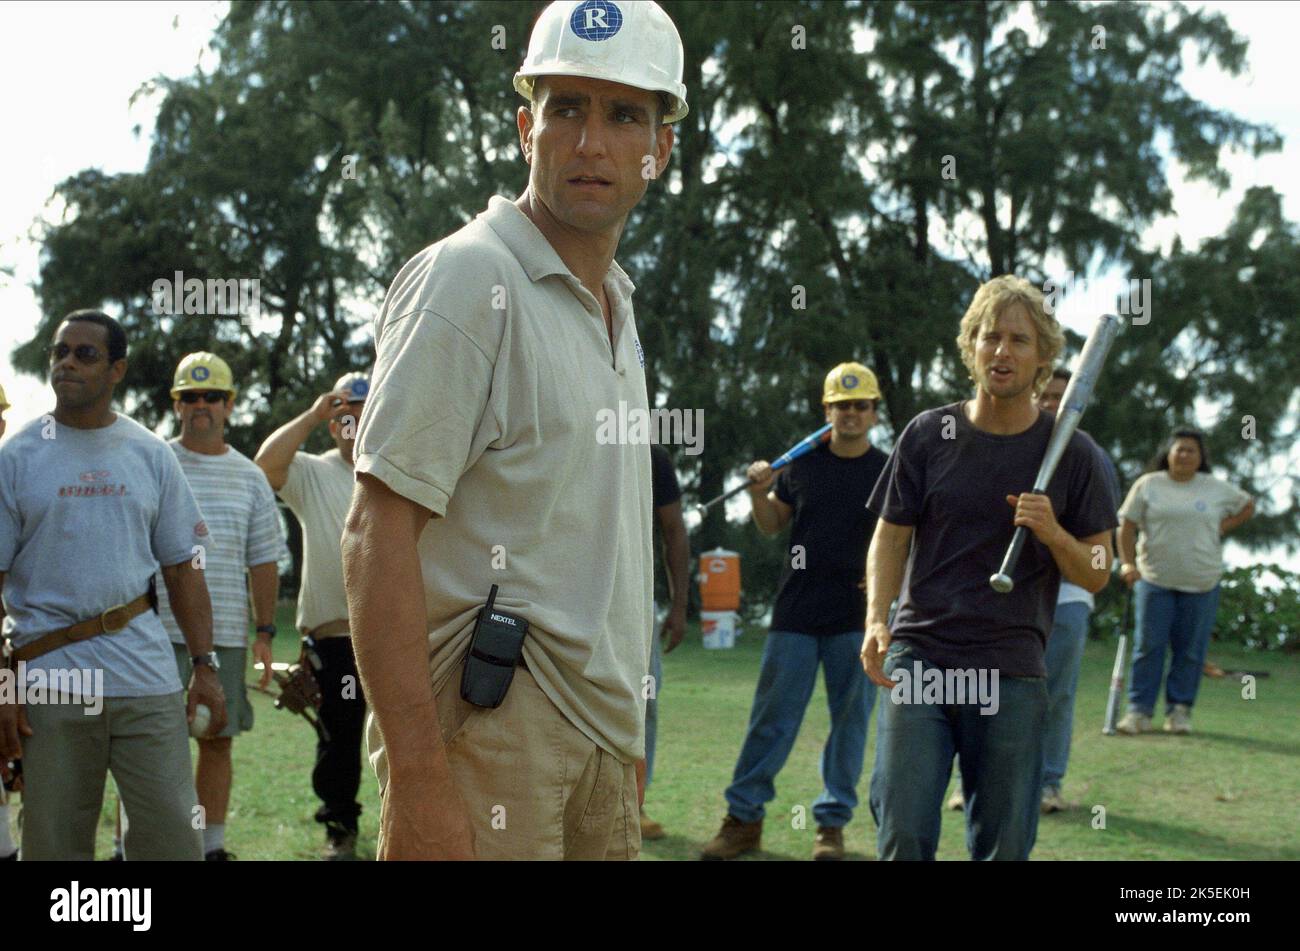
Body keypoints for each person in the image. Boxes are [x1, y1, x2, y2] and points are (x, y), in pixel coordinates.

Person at [341, 0, 686, 860]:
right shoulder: (469, 278)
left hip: (605, 739)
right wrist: (419, 785)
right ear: (526, 127)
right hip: (488, 731)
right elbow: (374, 531)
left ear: (661, 149)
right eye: (567, 107)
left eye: (623, 114)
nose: (591, 142)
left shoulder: (617, 304)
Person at [860, 277, 1117, 860]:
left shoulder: (1075, 454)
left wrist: (1053, 532)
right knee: (902, 830)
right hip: (921, 659)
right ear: (970, 347)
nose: (1001, 351)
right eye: (989, 336)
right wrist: (878, 619)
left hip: (1010, 669)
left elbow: (1099, 570)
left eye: (1019, 340)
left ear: (1044, 357)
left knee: (1004, 844)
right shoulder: (929, 434)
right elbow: (890, 535)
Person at [0, 310, 224, 861]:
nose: (67, 363)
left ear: (118, 369)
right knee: (53, 845)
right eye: (60, 352)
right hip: (50, 681)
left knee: (173, 838)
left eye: (85, 354)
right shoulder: (17, 457)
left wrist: (205, 665)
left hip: (145, 677)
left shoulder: (148, 453)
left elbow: (183, 568)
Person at [702, 362, 889, 861]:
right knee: (771, 721)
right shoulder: (802, 466)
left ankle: (831, 827)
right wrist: (762, 490)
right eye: (840, 406)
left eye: (859, 406)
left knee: (848, 728)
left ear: (873, 412)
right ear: (826, 411)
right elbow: (770, 525)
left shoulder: (887, 470)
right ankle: (744, 819)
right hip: (796, 614)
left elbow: (902, 540)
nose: (850, 414)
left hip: (858, 619)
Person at [946, 368, 1122, 814]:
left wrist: (1056, 533)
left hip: (1067, 601)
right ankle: (974, 781)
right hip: (998, 599)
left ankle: (1047, 782)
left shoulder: (1090, 458)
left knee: (1054, 693)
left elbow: (1101, 557)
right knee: (984, 689)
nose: (1051, 406)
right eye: (1045, 397)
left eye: (1063, 399)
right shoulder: (998, 445)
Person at [154, 352, 286, 860]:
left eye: (211, 397)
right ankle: (133, 847)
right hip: (155, 630)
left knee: (216, 740)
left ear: (229, 405)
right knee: (147, 749)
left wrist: (267, 632)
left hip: (227, 633)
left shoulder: (250, 476)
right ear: (178, 405)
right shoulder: (154, 460)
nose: (200, 405)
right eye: (190, 396)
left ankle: (211, 849)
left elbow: (264, 562)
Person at [255, 372, 370, 860]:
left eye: (365, 413)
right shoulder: (314, 472)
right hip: (337, 639)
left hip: (399, 634)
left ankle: (418, 825)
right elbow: (264, 468)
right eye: (345, 416)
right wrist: (313, 411)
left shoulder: (397, 470)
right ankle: (340, 828)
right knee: (339, 739)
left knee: (415, 733)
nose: (355, 423)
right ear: (332, 424)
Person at [1115, 428, 1253, 735]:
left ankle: (1179, 712)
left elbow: (1247, 505)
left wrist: (1221, 527)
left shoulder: (1215, 487)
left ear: (1201, 457)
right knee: (1148, 646)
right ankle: (1138, 712)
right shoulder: (1149, 484)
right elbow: (1126, 525)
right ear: (1168, 453)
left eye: (1192, 450)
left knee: (1190, 650)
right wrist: (1126, 563)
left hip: (1202, 581)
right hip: (1154, 579)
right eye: (1179, 449)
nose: (1185, 455)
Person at [640, 443, 689, 841]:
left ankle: (633, 802)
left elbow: (674, 530)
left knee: (644, 701)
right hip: (571, 594)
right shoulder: (569, 437)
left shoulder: (651, 456)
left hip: (638, 601)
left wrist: (679, 605)